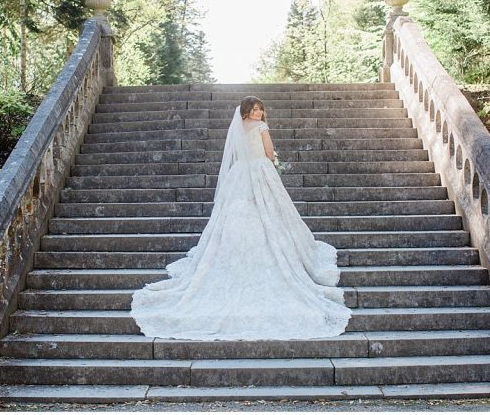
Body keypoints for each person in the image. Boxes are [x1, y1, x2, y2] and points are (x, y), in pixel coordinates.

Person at [131, 96, 351, 340]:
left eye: (260, 109)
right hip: (260, 171)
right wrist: (274, 160)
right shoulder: (261, 127)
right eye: (255, 109)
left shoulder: (237, 128)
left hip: (239, 174)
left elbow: (236, 154)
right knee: (270, 210)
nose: (259, 113)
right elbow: (269, 153)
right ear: (246, 111)